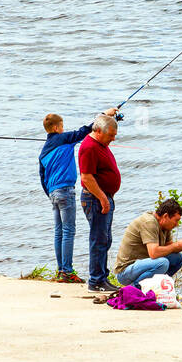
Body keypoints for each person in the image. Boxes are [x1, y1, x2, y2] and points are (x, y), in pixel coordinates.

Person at [38, 107, 117, 283]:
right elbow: (85, 131)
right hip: (65, 190)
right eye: (63, 126)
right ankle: (66, 271)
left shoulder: (43, 151)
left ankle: (61, 270)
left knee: (59, 232)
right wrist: (104, 115)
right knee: (68, 230)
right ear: (58, 127)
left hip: (53, 193)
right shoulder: (63, 138)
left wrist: (50, 193)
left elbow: (42, 176)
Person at [108, 197, 182, 289]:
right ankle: (134, 289)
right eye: (176, 220)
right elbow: (154, 253)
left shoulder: (165, 226)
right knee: (163, 263)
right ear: (165, 216)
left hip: (143, 265)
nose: (177, 224)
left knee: (178, 258)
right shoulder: (149, 222)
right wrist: (176, 245)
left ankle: (156, 288)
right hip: (125, 271)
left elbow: (169, 248)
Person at [78, 112, 122, 292]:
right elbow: (86, 177)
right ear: (98, 132)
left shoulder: (100, 142)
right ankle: (96, 281)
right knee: (98, 239)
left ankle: (102, 276)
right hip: (95, 198)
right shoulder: (89, 147)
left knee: (105, 238)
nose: (113, 138)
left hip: (104, 197)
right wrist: (103, 199)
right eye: (111, 135)